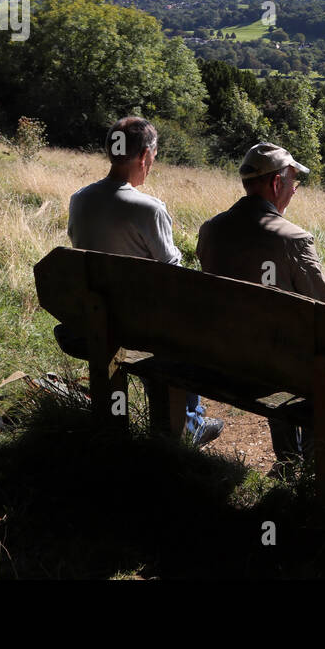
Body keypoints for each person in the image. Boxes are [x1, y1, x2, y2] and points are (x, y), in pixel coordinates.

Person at [66, 116, 223, 447]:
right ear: (144, 155)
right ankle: (189, 425)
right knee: (185, 327)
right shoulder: (148, 208)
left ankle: (174, 417)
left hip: (93, 317)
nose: (153, 161)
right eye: (154, 154)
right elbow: (173, 273)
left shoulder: (80, 198)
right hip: (139, 324)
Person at [196, 141, 325, 475]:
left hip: (220, 358)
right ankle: (313, 470)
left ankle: (288, 460)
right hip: (272, 367)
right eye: (293, 184)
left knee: (271, 343)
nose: (293, 191)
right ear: (276, 184)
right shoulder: (293, 239)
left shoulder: (211, 229)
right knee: (310, 358)